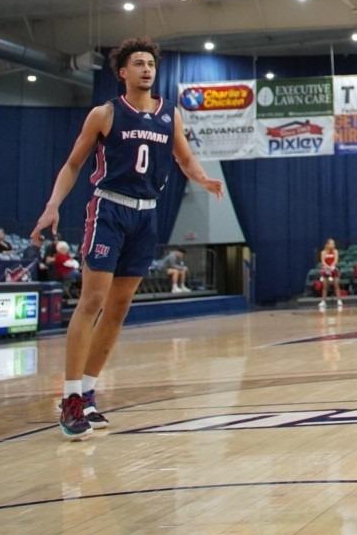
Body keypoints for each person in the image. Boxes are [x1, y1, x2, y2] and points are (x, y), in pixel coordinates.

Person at [31, 37, 223, 439]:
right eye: (138, 63)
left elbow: (184, 157)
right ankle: (68, 397)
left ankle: (87, 392)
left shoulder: (170, 115)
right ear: (122, 72)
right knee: (93, 301)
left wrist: (201, 177)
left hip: (146, 215)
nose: (146, 69)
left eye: (150, 63)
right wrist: (52, 205)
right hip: (109, 209)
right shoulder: (105, 114)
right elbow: (73, 164)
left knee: (118, 309)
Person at [314, 239, 340, 310]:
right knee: (325, 286)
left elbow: (336, 260)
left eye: (334, 244)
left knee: (336, 285)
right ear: (327, 244)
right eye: (331, 244)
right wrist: (327, 268)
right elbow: (323, 261)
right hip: (326, 269)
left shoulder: (335, 251)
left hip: (333, 269)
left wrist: (332, 267)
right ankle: (323, 301)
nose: (333, 245)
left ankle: (339, 300)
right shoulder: (323, 252)